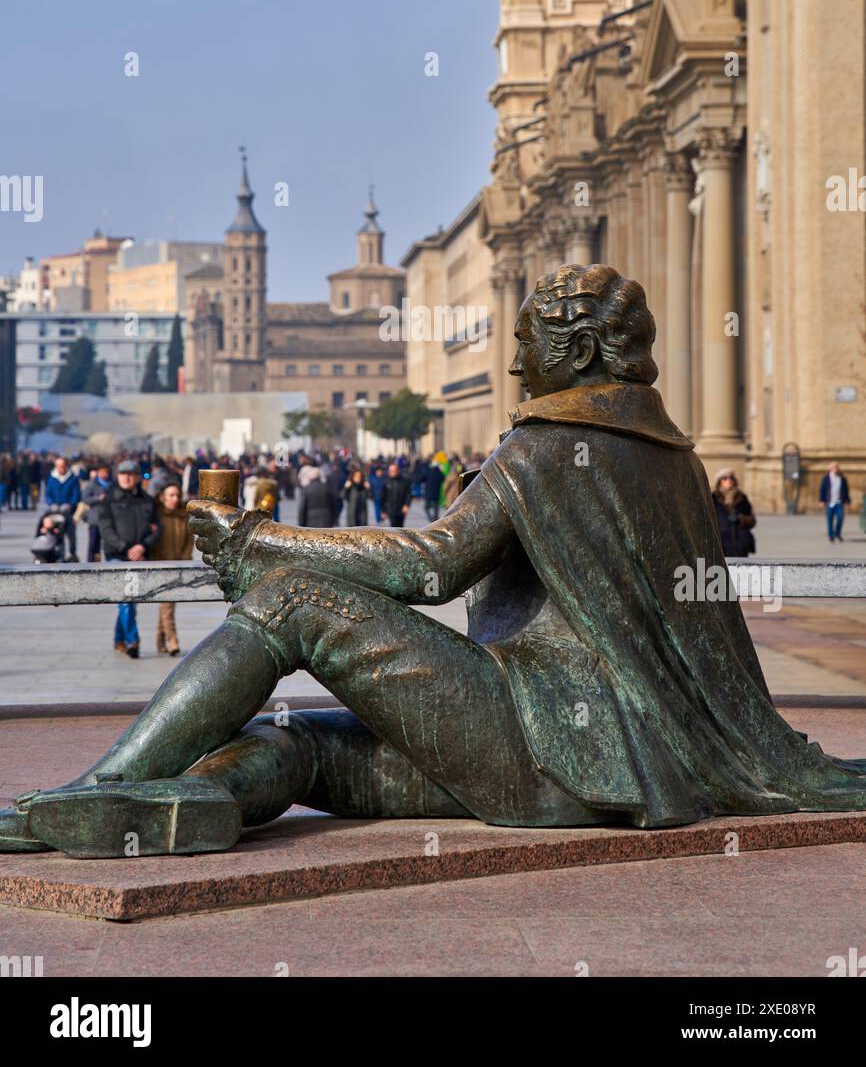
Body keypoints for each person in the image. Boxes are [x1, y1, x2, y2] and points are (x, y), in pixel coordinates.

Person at [12, 263, 866, 861]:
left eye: (528, 342)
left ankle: (86, 793)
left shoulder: (553, 440)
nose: (515, 361)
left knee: (294, 603)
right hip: (614, 769)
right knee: (298, 746)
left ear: (573, 356)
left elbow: (434, 563)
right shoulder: (670, 454)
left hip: (547, 741)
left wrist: (253, 543)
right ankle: (179, 810)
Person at [95, 460, 161, 659]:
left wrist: (143, 546)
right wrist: (126, 548)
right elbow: (106, 530)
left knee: (128, 600)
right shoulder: (108, 499)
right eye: (123, 473)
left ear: (138, 477)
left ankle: (119, 639)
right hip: (118, 556)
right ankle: (133, 640)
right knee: (127, 599)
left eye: (131, 473)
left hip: (139, 557)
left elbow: (158, 529)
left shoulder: (147, 500)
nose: (127, 477)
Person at [149, 480, 193, 656]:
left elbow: (190, 540)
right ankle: (172, 640)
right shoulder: (157, 516)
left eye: (177, 495)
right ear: (162, 497)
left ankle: (160, 638)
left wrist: (185, 558)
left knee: (167, 603)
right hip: (160, 563)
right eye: (171, 495)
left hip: (178, 562)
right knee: (167, 604)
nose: (175, 499)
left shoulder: (184, 516)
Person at [45, 456, 81, 561]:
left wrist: (70, 504)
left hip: (69, 511)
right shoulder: (51, 478)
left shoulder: (73, 478)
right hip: (55, 511)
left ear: (66, 466)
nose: (61, 468)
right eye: (58, 466)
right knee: (57, 533)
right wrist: (51, 503)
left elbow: (76, 494)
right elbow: (48, 494)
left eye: (62, 466)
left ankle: (72, 554)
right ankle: (59, 555)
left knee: (71, 534)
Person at [712, 470, 756, 556]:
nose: (729, 480)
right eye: (725, 478)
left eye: (731, 478)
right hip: (721, 543)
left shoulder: (741, 497)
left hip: (740, 543)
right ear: (719, 482)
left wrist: (740, 519)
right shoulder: (713, 498)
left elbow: (752, 520)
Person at [81, 465, 113, 562]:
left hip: (108, 518)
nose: (104, 474)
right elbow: (85, 499)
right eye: (102, 472)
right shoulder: (92, 484)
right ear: (98, 472)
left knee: (109, 543)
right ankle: (91, 563)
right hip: (95, 518)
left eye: (106, 472)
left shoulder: (111, 484)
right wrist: (98, 498)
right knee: (93, 544)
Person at [819, 462, 851, 543]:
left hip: (839, 502)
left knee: (840, 518)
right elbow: (822, 490)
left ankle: (837, 533)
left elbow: (846, 490)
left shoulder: (842, 478)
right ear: (830, 468)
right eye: (833, 467)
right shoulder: (826, 478)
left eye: (836, 467)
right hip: (829, 502)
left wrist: (847, 500)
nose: (835, 469)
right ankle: (831, 536)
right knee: (830, 520)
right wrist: (821, 500)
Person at [381, 461, 411, 527]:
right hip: (391, 509)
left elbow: (408, 494)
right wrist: (383, 511)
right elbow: (383, 497)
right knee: (393, 527)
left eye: (393, 471)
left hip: (401, 508)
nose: (391, 473)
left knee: (400, 527)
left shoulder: (404, 481)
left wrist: (407, 505)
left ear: (398, 471)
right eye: (390, 471)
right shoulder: (386, 482)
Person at [423, 458, 444, 522]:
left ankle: (430, 517)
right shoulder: (439, 472)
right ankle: (435, 518)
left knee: (426, 507)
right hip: (436, 492)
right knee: (436, 506)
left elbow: (422, 478)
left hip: (428, 492)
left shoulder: (428, 471)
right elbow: (443, 479)